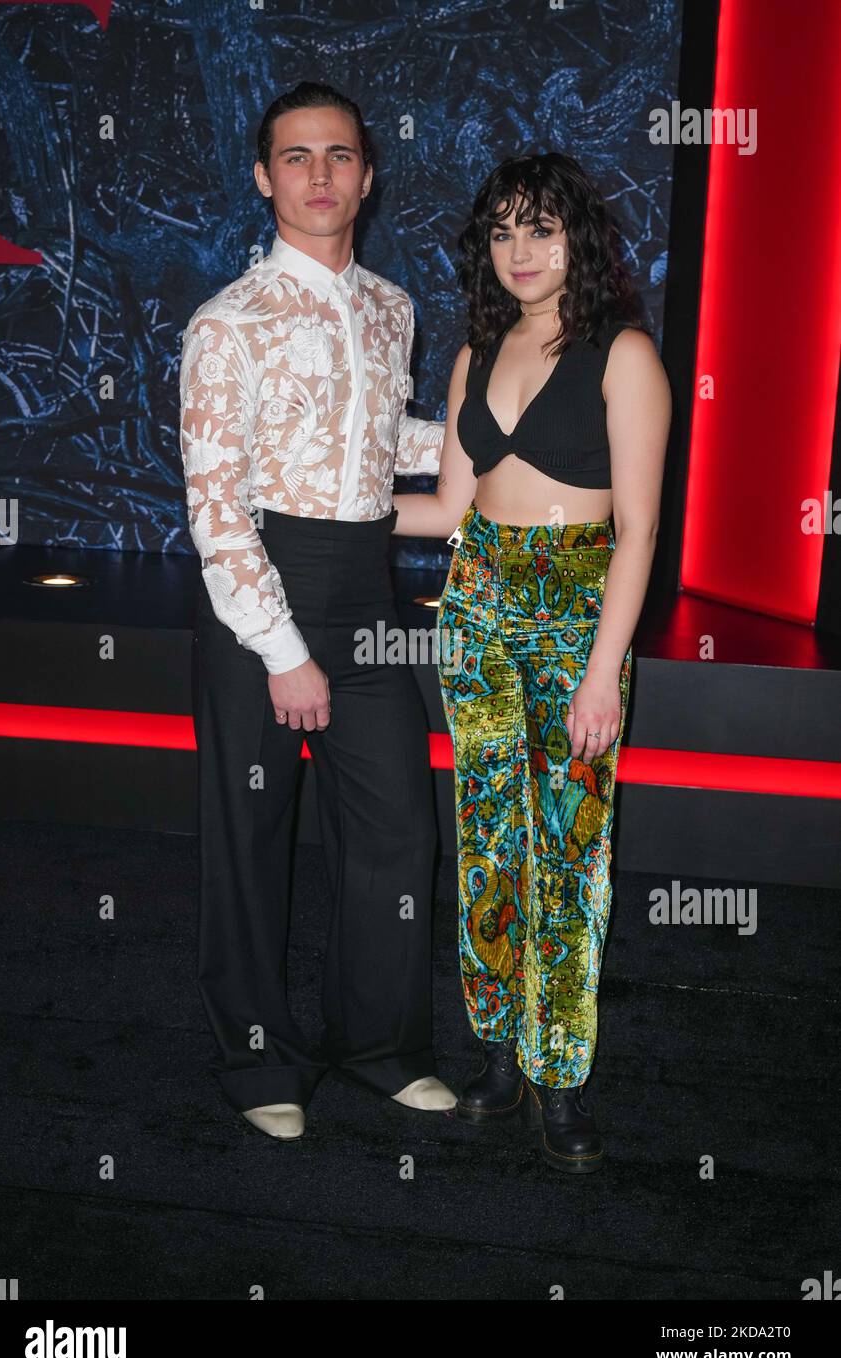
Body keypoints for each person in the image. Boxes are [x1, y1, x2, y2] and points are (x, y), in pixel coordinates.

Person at [179, 81, 457, 1140]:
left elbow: (376, 444)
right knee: (249, 834)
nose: (319, 175)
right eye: (296, 157)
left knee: (395, 829)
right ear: (263, 178)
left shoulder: (392, 306)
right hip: (257, 589)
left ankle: (379, 1044)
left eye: (338, 155)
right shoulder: (227, 322)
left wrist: (482, 437)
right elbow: (215, 505)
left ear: (366, 174)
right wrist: (283, 649)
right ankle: (259, 1058)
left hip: (365, 585)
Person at [392, 151, 671, 1172]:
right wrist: (321, 506)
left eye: (540, 229)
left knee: (569, 846)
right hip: (474, 606)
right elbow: (444, 512)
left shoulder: (621, 354)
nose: (519, 250)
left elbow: (638, 531)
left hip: (575, 606)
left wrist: (603, 671)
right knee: (483, 836)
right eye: (502, 231)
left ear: (577, 239)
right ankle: (499, 1052)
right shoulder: (474, 352)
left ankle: (561, 1074)